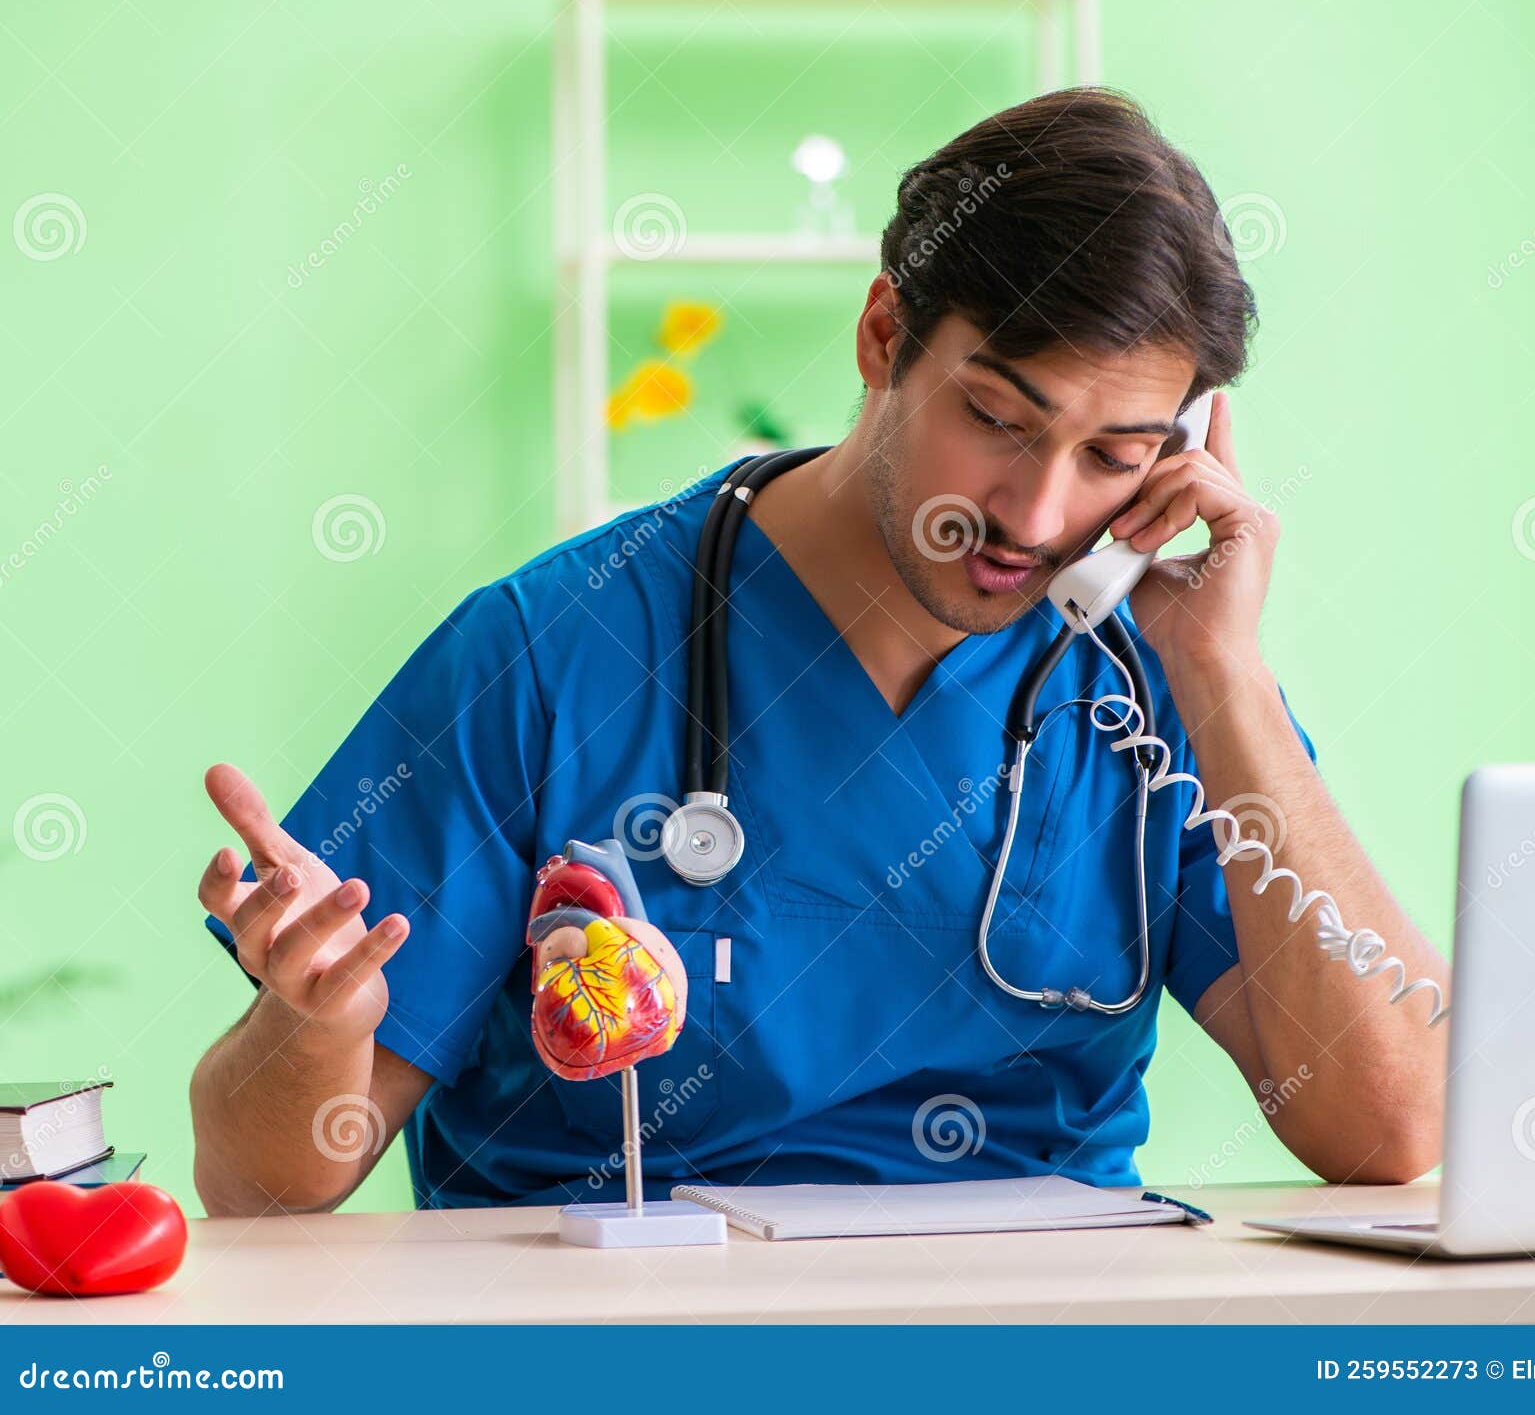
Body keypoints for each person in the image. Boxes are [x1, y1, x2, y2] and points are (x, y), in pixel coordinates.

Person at [190, 87, 1448, 1215]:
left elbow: (1386, 1127)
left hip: (1044, 1335)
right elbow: (256, 1181)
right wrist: (314, 1034)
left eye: (1114, 456)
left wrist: (1224, 677)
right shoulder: (551, 651)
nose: (1039, 512)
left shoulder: (1144, 680)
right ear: (883, 335)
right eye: (997, 419)